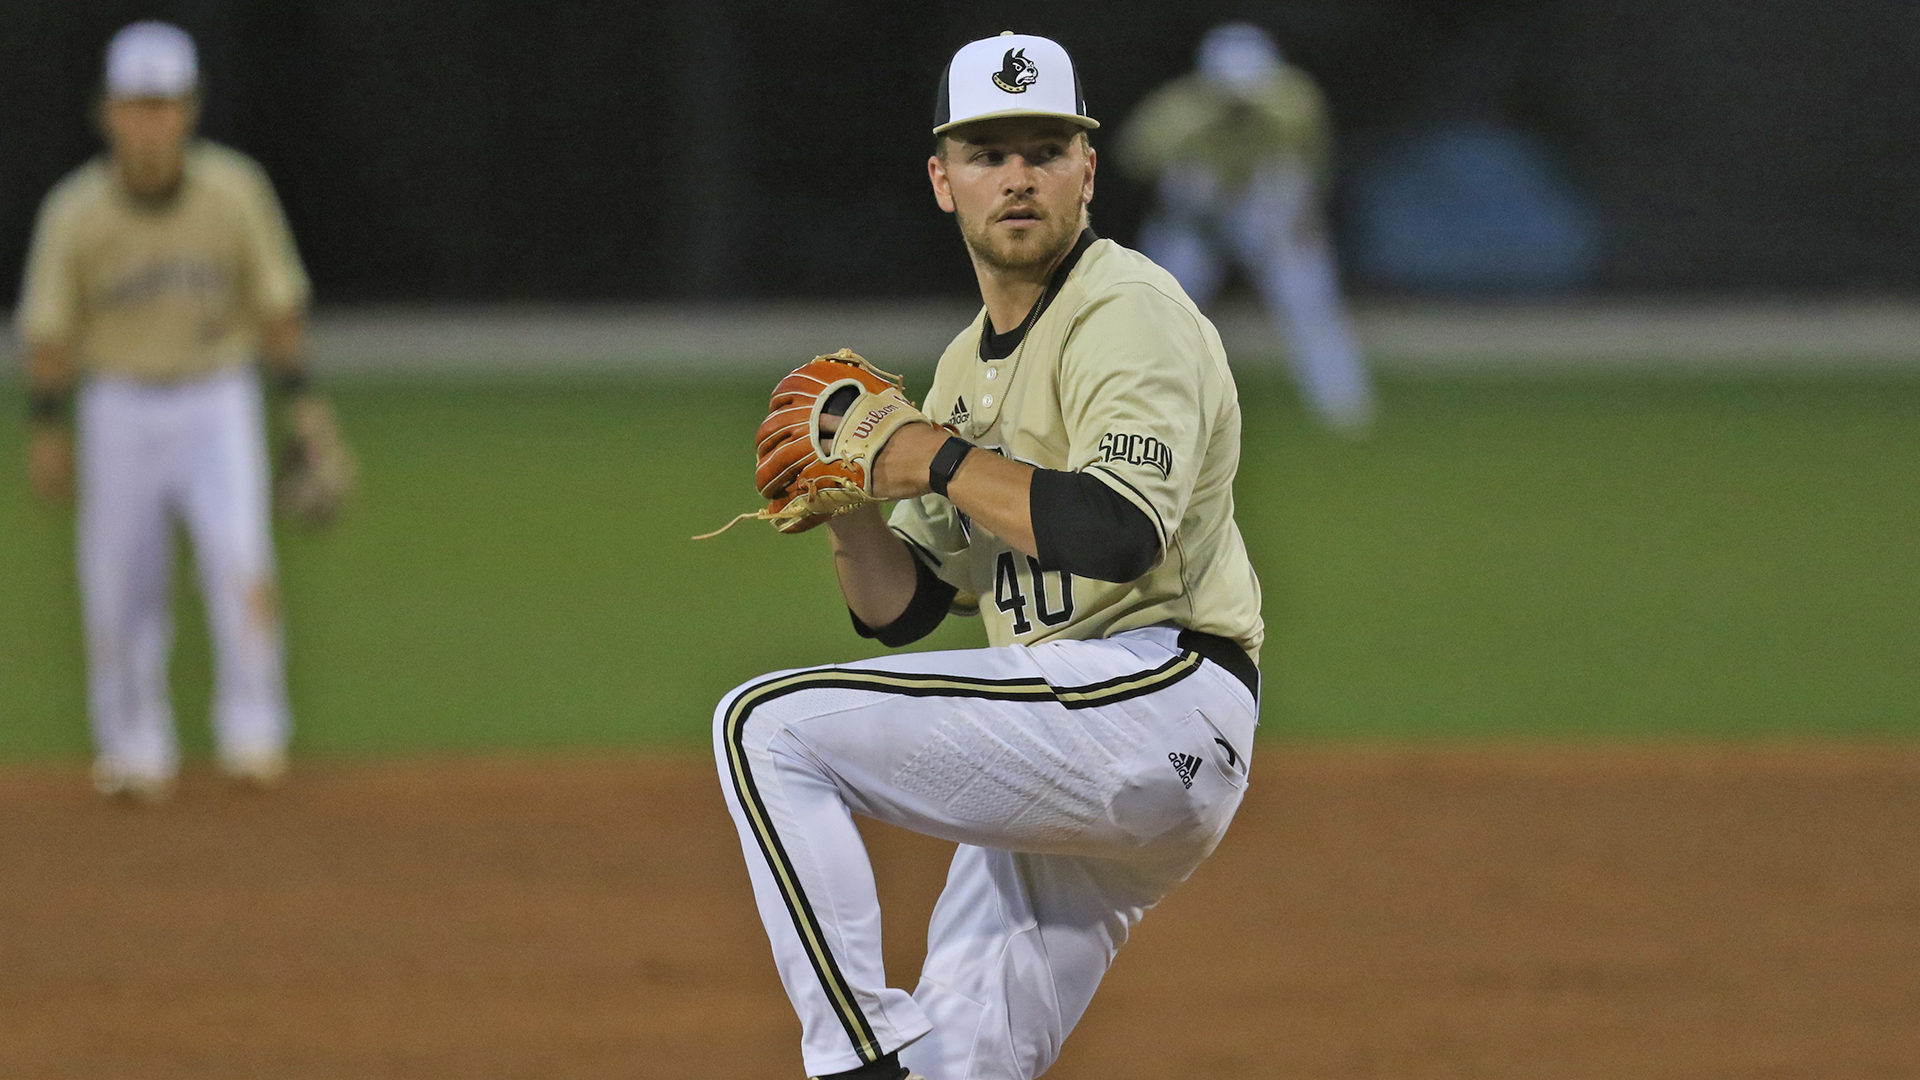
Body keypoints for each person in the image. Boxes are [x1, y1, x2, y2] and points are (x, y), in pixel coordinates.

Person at [715, 32, 1262, 1080]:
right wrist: (849, 506)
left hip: (1158, 698)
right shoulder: (966, 365)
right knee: (959, 1066)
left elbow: (1115, 531)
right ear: (942, 180)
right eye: (987, 152)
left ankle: (859, 1054)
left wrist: (934, 454)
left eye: (1044, 149)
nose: (1016, 176)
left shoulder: (1127, 311)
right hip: (1071, 738)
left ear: (1086, 172)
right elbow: (909, 610)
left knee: (764, 729)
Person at [17, 21, 352, 802]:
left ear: (188, 110)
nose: (150, 120)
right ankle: (133, 748)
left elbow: (276, 307)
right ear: (108, 113)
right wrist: (46, 428)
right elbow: (49, 332)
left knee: (240, 562)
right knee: (121, 584)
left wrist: (304, 410)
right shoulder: (76, 213)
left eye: (163, 103)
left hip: (215, 397)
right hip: (118, 406)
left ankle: (254, 733)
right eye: (136, 104)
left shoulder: (234, 193)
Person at [1117, 21, 1375, 432]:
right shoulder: (1178, 111)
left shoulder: (1294, 102)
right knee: (1157, 309)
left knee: (1309, 302)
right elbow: (1134, 158)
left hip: (1262, 207)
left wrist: (1303, 213)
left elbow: (1314, 160)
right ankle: (1132, 403)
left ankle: (1344, 409)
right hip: (1197, 217)